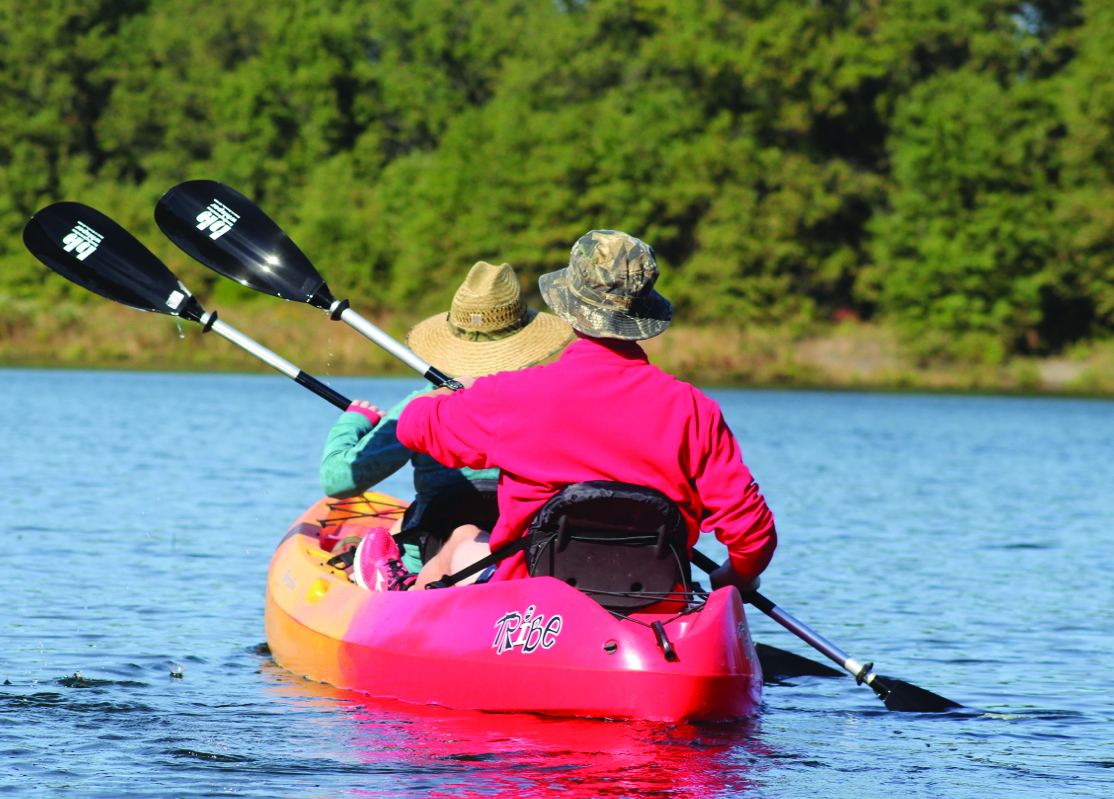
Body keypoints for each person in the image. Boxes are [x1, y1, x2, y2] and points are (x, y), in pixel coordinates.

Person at [359, 229, 776, 594]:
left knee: (461, 539)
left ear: (570, 310)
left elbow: (412, 427)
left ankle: (401, 599)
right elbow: (753, 532)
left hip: (531, 597)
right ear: (644, 314)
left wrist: (447, 395)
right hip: (655, 594)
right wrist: (738, 576)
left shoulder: (513, 395)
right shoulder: (693, 408)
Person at [320, 260, 574, 590]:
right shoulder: (553, 404)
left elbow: (338, 481)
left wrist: (353, 422)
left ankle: (395, 578)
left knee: (404, 525)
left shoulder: (422, 406)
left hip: (428, 562)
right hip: (522, 559)